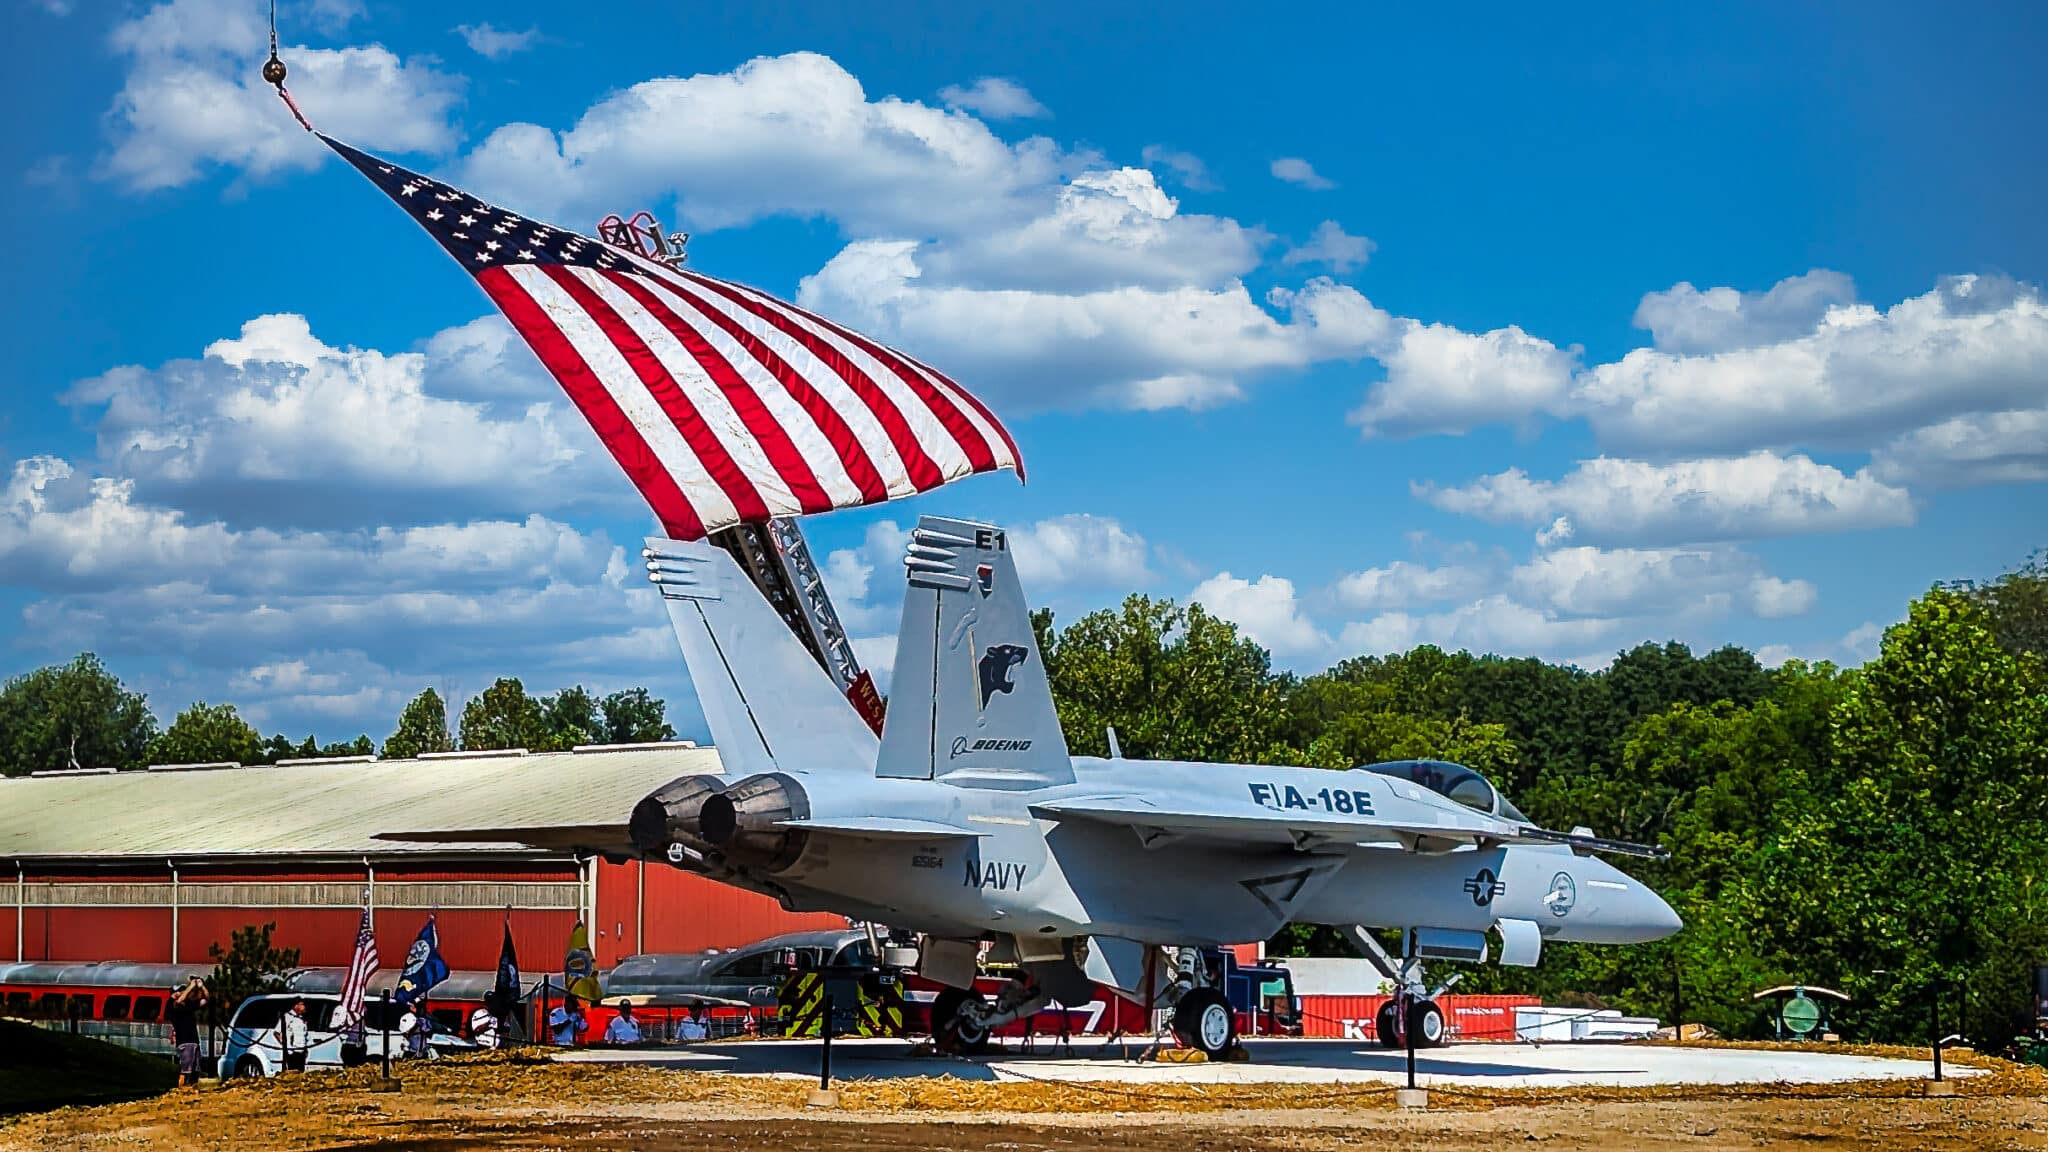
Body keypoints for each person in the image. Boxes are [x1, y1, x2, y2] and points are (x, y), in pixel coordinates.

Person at [166, 978, 207, 1086]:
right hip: (185, 1042)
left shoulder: (188, 1005)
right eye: (180, 991)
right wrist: (191, 986)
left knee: (196, 1070)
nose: (182, 992)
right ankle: (181, 1090)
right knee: (185, 1070)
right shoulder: (171, 1005)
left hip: (194, 1041)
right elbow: (178, 1001)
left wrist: (201, 986)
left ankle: (193, 1090)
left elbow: (205, 999)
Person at [281, 998, 311, 1073]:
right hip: (292, 1052)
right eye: (303, 1005)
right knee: (292, 1075)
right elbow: (277, 1032)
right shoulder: (287, 1017)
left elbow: (304, 1035)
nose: (305, 1007)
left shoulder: (302, 1019)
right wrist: (287, 1047)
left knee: (300, 1074)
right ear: (296, 1006)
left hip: (301, 1052)